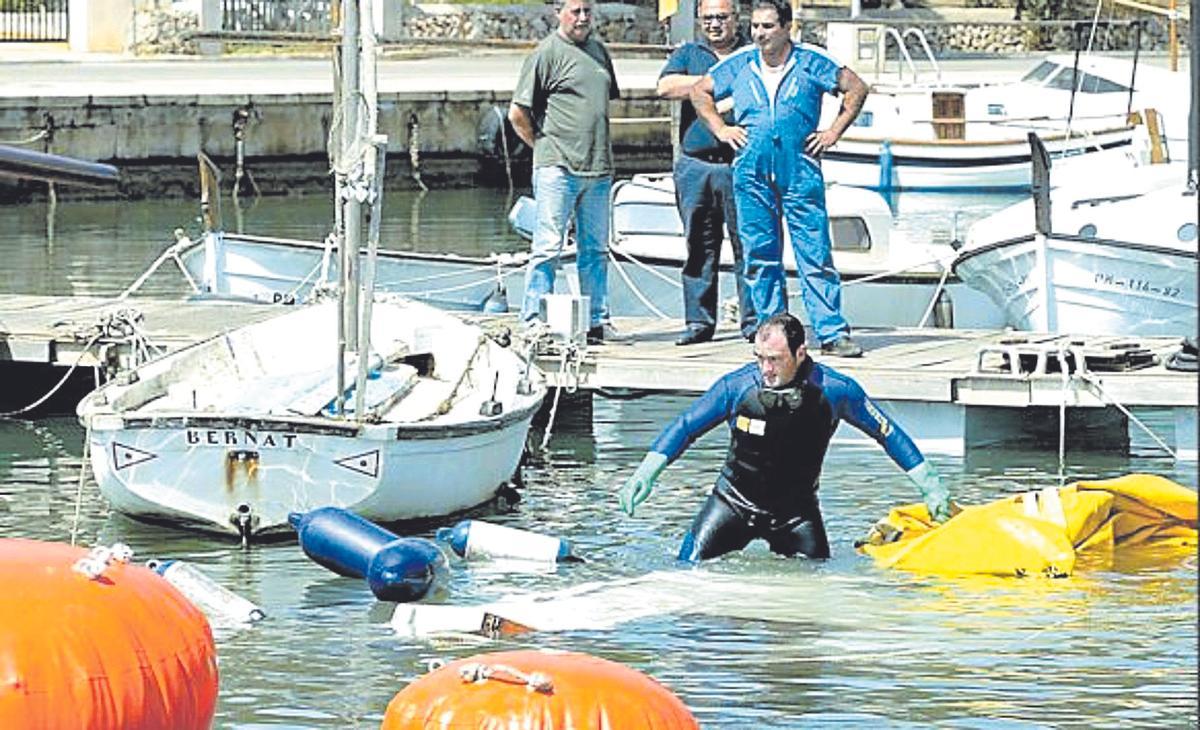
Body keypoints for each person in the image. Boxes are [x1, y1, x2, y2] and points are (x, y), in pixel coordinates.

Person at [617, 312, 952, 562]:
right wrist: (646, 472)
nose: (766, 369)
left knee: (815, 586)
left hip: (796, 514)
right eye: (760, 359)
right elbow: (686, 426)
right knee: (683, 571)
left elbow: (886, 433)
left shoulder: (836, 390)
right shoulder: (737, 387)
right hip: (731, 503)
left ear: (801, 353)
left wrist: (930, 483)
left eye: (775, 360)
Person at [691, 0, 869, 357]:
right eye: (755, 26)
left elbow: (856, 88)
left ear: (788, 27)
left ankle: (831, 331)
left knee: (814, 253)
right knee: (760, 254)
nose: (759, 34)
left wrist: (833, 131)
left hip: (800, 168)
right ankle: (774, 333)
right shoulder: (740, 62)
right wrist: (722, 129)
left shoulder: (812, 60)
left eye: (768, 26)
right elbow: (700, 91)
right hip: (751, 171)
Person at [508, 0, 620, 345]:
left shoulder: (600, 52)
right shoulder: (546, 53)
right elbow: (517, 113)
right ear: (559, 12)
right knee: (547, 248)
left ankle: (597, 319)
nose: (583, 17)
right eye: (575, 11)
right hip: (558, 167)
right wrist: (542, 147)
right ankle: (532, 319)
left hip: (599, 168)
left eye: (588, 10)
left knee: (596, 250)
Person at [656, 0, 757, 346]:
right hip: (696, 166)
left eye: (722, 17)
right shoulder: (689, 52)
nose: (715, 24)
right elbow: (665, 87)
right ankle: (699, 322)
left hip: (739, 164)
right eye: (708, 18)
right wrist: (713, 82)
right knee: (699, 247)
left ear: (736, 18)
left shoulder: (751, 51)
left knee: (748, 246)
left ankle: (754, 323)